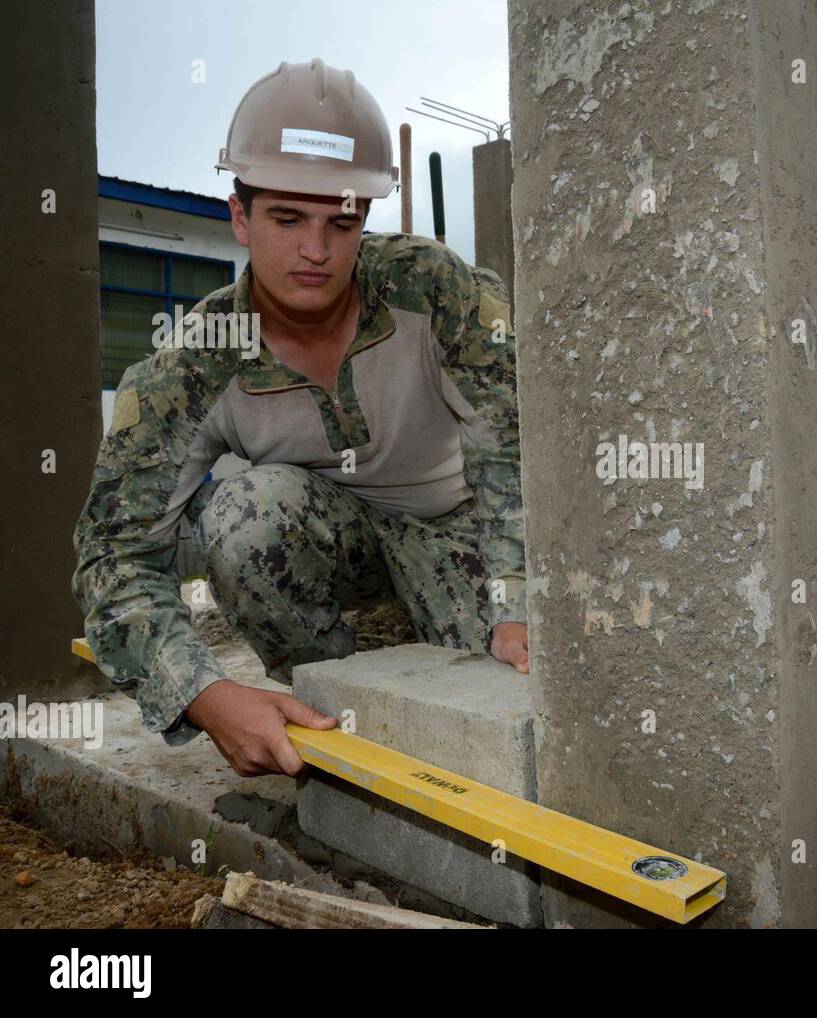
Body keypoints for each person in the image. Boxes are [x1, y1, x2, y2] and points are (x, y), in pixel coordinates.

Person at [72, 58, 527, 777]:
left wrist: (518, 598)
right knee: (243, 516)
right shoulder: (194, 364)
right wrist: (205, 693)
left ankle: (424, 626)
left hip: (455, 525)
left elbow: (515, 452)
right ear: (240, 217)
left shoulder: (434, 288)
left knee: (511, 711)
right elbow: (115, 554)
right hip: (324, 532)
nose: (316, 251)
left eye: (340, 222)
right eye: (287, 219)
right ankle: (331, 707)